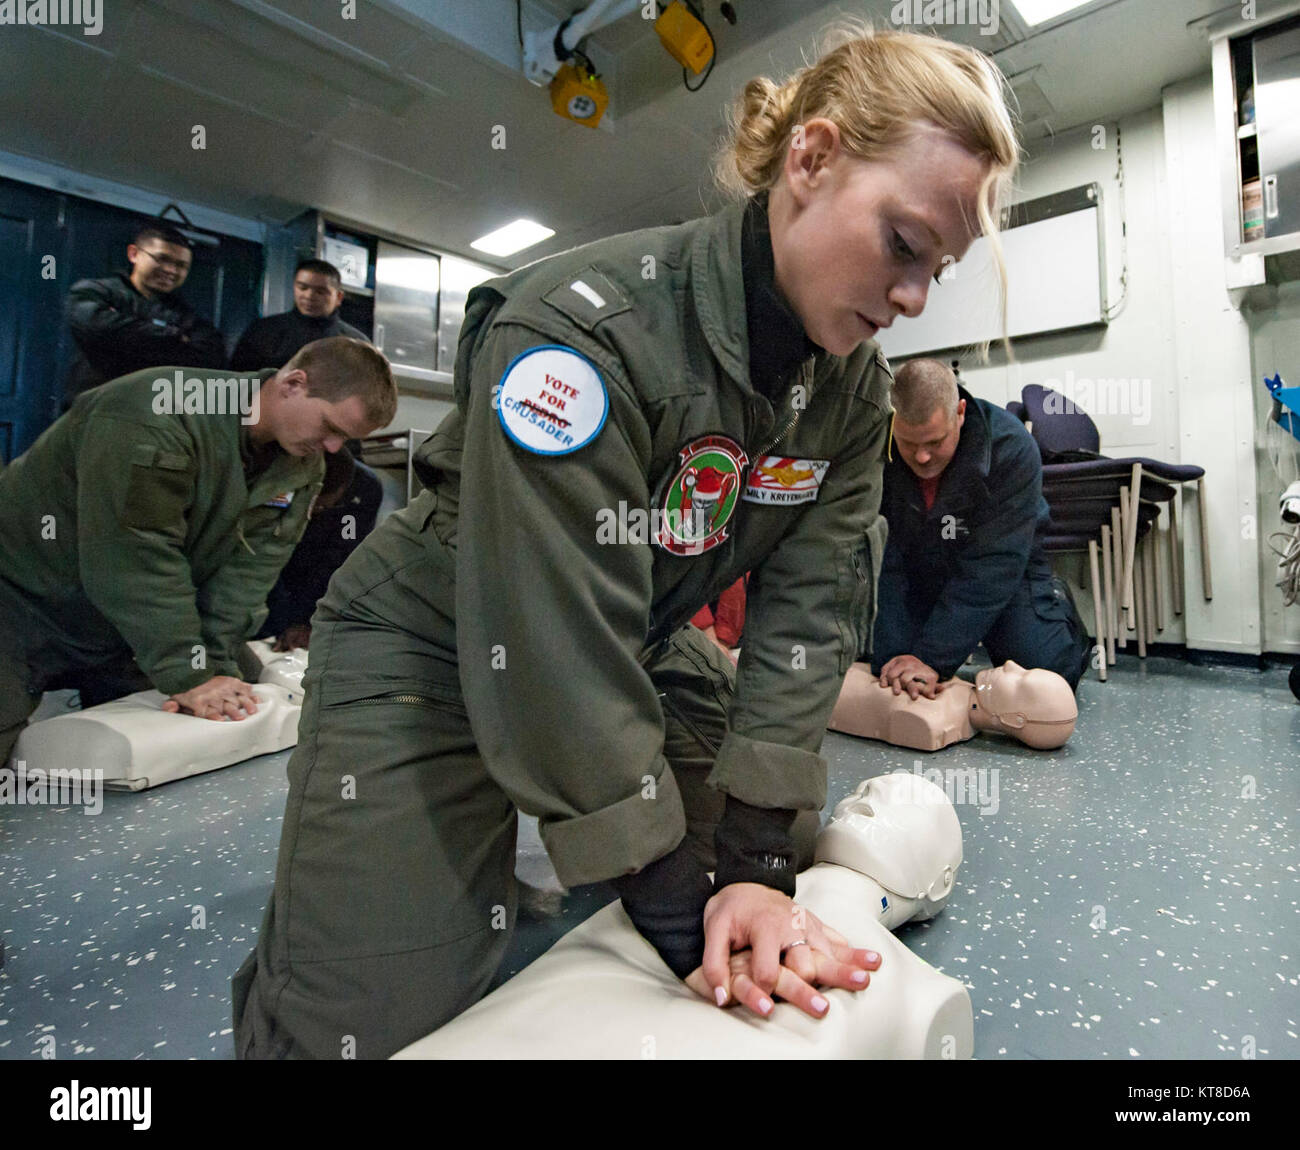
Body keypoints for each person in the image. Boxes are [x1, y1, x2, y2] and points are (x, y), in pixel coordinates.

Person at [231, 23, 1021, 1060]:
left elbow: (810, 609)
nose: (914, 297)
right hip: (428, 639)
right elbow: (548, 635)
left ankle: (518, 901)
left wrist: (749, 864)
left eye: (940, 270)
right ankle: (368, 932)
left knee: (749, 850)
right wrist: (673, 898)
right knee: (363, 1027)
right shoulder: (575, 335)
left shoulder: (849, 396)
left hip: (633, 636)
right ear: (812, 158)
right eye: (905, 246)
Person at [0, 338, 397, 764]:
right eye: (331, 428)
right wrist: (188, 674)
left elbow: (248, 572)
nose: (335, 448)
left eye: (346, 439)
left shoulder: (300, 462)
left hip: (120, 622)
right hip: (25, 598)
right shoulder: (158, 411)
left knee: (214, 726)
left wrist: (216, 668)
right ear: (294, 384)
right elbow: (133, 555)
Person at [870, 358, 1091, 699]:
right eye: (909, 444)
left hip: (1004, 569)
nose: (923, 457)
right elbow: (886, 558)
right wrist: (897, 657)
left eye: (935, 442)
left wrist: (931, 658)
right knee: (881, 663)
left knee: (1045, 676)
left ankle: (1056, 607)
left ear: (959, 411)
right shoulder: (876, 448)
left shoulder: (1011, 448)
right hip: (920, 566)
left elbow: (993, 565)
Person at [63, 223, 227, 405]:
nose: (170, 270)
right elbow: (95, 327)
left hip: (151, 419)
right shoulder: (95, 291)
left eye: (181, 265)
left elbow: (211, 358)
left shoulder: (189, 316)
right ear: (134, 254)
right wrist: (176, 338)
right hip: (93, 411)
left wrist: (126, 337)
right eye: (162, 259)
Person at [253, 445, 383, 651]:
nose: (311, 514)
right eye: (308, 507)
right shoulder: (277, 477)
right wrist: (280, 618)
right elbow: (261, 554)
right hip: (270, 572)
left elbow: (341, 560)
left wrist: (304, 620)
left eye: (320, 507)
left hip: (314, 576)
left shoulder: (364, 491)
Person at [231, 259, 369, 372]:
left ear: (338, 297)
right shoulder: (264, 330)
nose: (309, 296)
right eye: (302, 288)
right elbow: (238, 381)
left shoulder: (356, 343)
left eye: (320, 292)